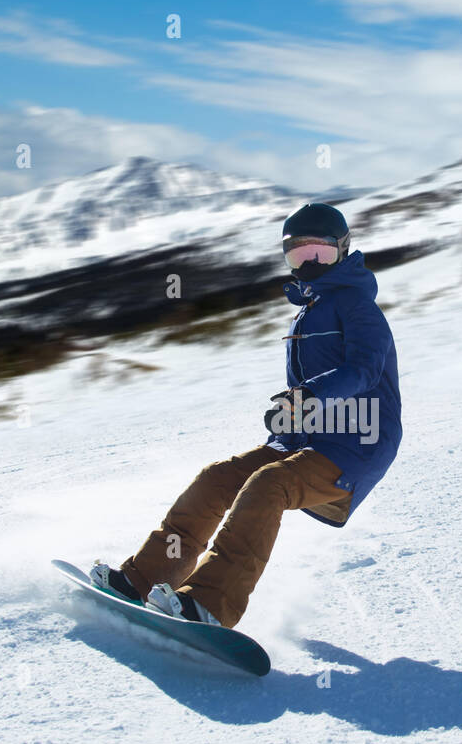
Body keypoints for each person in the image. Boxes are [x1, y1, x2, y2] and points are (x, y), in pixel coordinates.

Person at [90, 203, 402, 628]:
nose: (310, 264)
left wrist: (310, 395)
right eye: (299, 254)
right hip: (308, 442)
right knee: (217, 479)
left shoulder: (357, 306)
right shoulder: (309, 310)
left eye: (321, 253)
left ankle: (209, 604)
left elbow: (364, 369)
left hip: (357, 444)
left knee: (269, 485)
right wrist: (291, 416)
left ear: (343, 251)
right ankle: (141, 580)